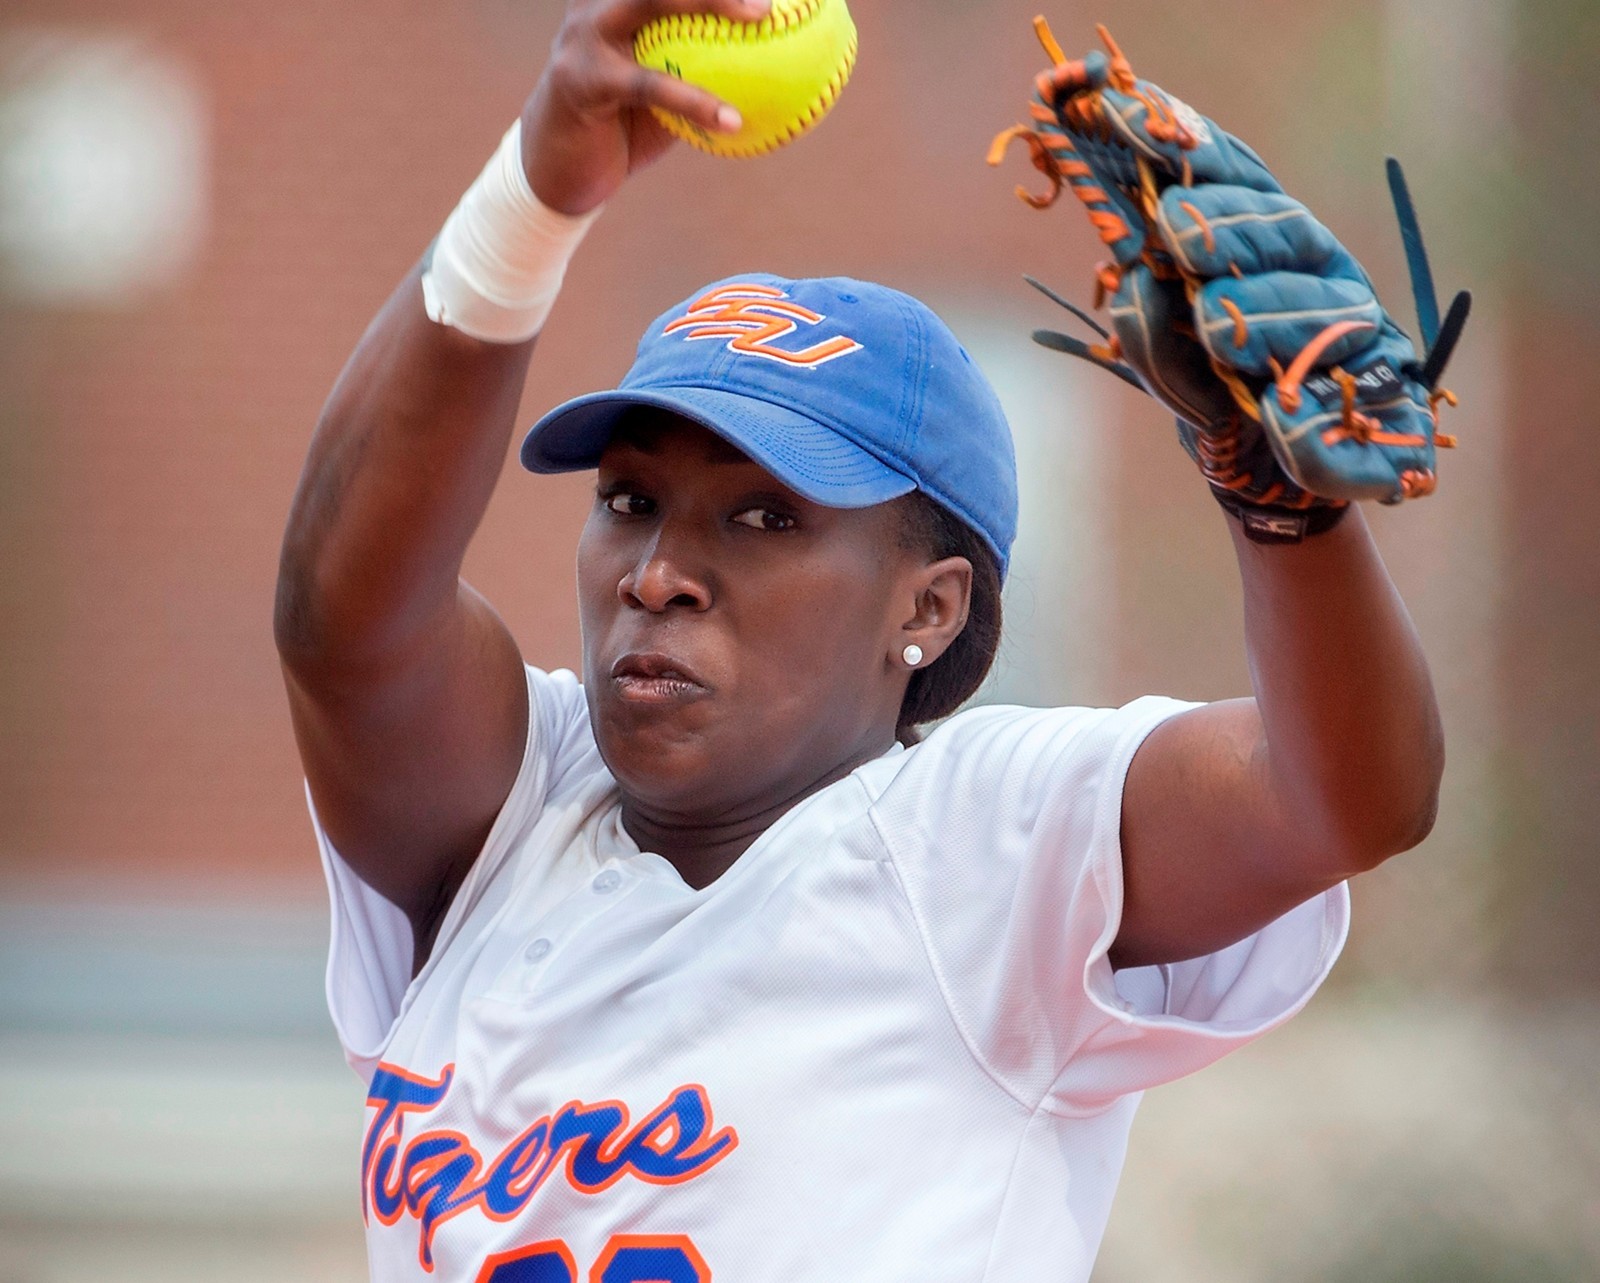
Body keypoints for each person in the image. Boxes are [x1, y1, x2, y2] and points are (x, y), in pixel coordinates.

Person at [274, 0, 1444, 1279]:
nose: (660, 571)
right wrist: (532, 199)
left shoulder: (973, 848)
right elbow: (344, 617)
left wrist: (1284, 511)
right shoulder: (514, 817)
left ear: (927, 609)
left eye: (767, 515)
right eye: (629, 500)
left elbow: (1342, 797)